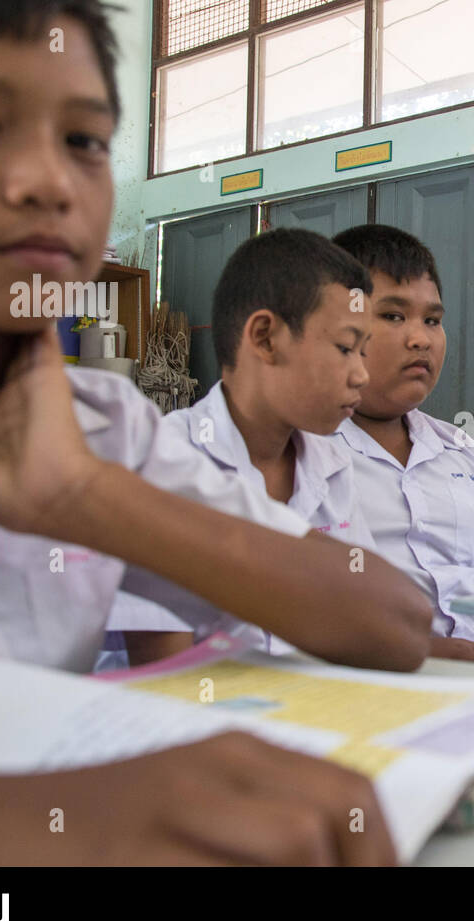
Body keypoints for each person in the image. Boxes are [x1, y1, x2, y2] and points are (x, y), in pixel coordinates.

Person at [0, 0, 429, 864]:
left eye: (85, 141)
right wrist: (7, 819)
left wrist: (87, 498)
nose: (45, 181)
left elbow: (389, 620)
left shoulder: (104, 427)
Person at [106, 228, 382, 665]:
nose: (361, 375)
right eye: (346, 348)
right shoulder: (165, 461)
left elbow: (363, 609)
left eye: (363, 352)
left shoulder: (330, 465)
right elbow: (165, 675)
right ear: (265, 338)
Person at [331, 225, 474, 663]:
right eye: (393, 316)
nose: (421, 338)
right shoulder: (301, 454)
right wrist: (423, 655)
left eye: (432, 320)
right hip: (364, 684)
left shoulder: (460, 451)